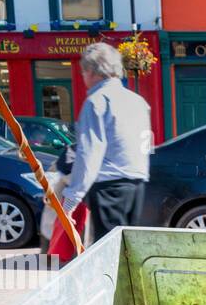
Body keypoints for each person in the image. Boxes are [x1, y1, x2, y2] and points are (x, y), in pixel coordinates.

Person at [60, 42, 151, 242]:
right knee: (128, 251)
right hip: (137, 185)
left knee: (110, 254)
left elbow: (89, 154)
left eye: (83, 72)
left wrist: (71, 199)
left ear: (92, 71)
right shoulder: (137, 101)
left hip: (109, 188)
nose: (83, 77)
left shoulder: (97, 102)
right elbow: (145, 145)